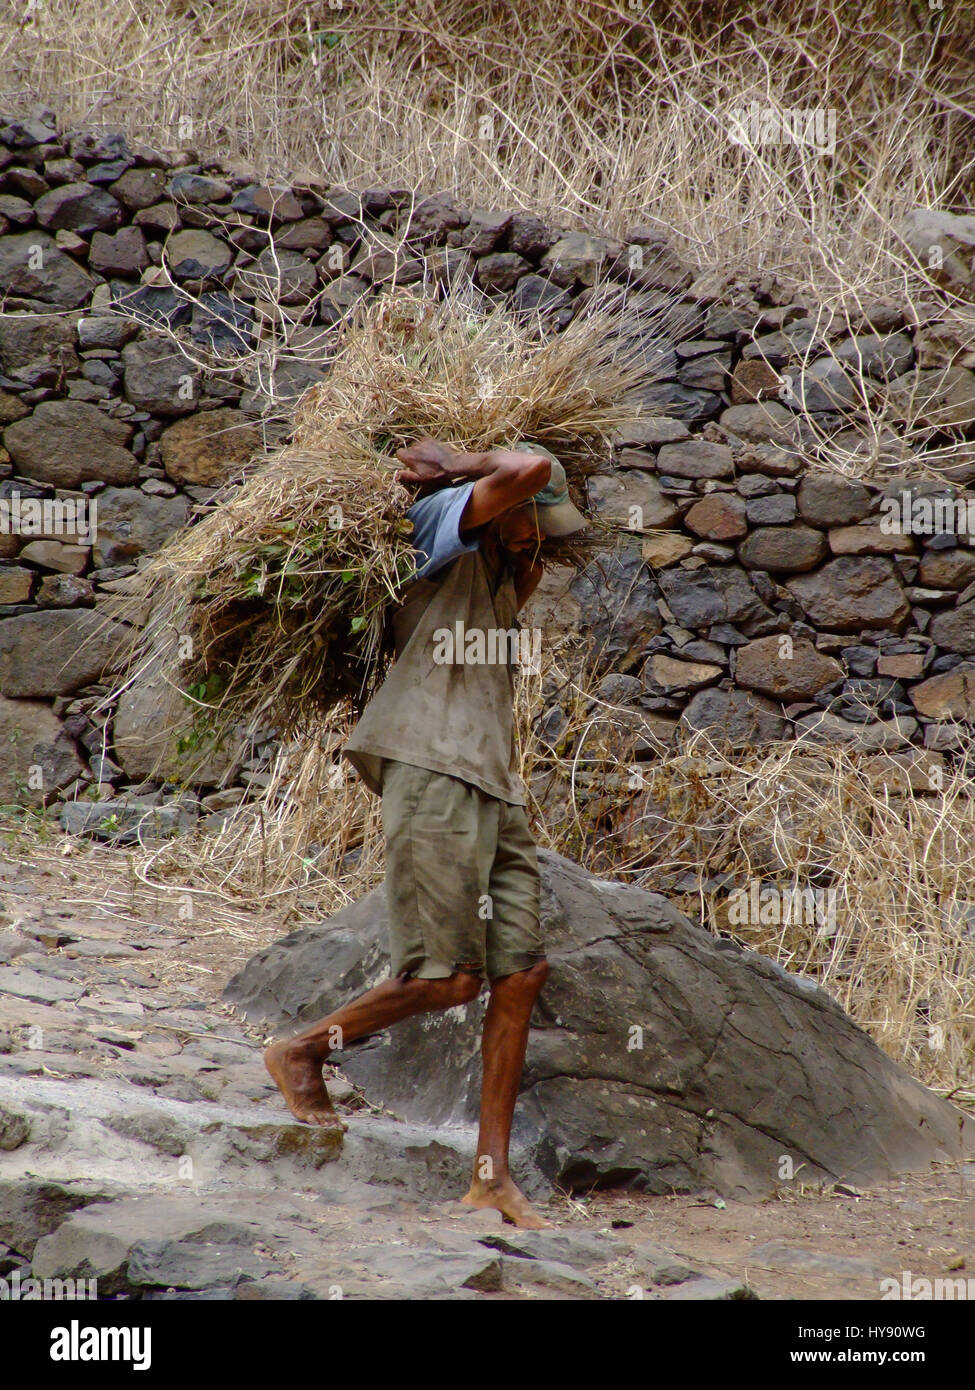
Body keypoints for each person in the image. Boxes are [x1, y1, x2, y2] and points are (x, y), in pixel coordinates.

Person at [264, 436, 587, 1228]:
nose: (542, 538)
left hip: (492, 783)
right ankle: (304, 1048)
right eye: (535, 525)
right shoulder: (440, 524)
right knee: (443, 979)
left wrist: (526, 558)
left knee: (519, 976)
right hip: (429, 764)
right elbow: (525, 470)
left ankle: (489, 1178)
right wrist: (467, 463)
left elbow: (531, 500)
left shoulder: (510, 573)